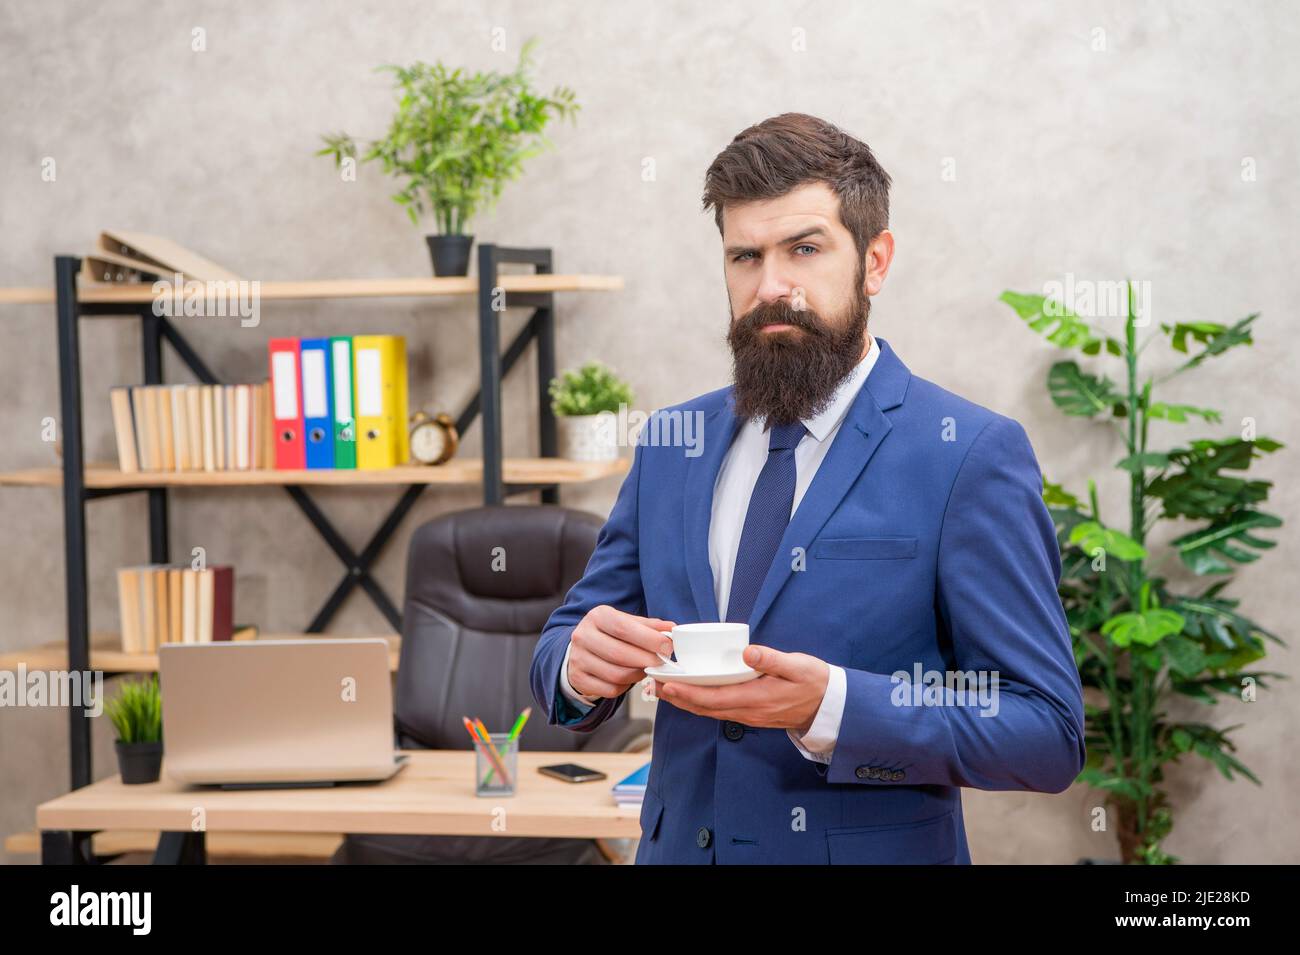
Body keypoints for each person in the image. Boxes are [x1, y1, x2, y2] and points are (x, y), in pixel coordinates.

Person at [529, 112, 1085, 864]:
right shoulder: (670, 442)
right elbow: (568, 642)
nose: (771, 287)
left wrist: (834, 707)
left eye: (805, 249)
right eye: (745, 257)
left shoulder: (970, 454)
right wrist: (573, 662)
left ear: (875, 261)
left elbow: (1044, 732)